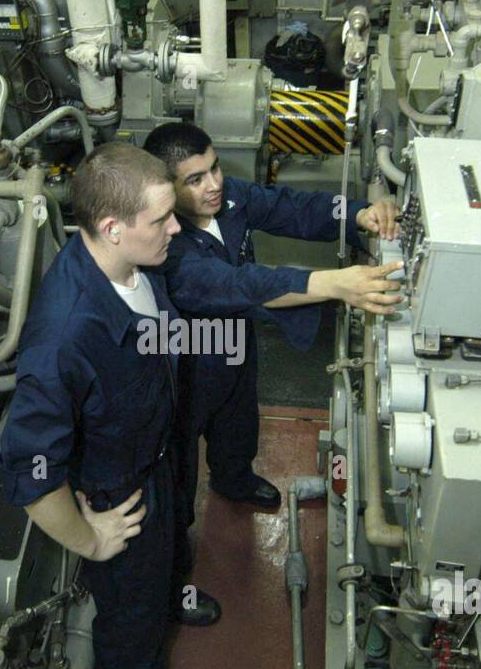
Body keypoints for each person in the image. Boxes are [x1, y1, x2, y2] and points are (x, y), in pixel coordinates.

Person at [0, 143, 215, 669]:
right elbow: (33, 475)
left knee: (174, 549)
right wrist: (90, 538)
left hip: (161, 455)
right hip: (122, 489)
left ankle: (175, 596)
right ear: (113, 228)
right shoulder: (64, 335)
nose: (178, 226)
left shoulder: (136, 266)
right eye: (164, 219)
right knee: (132, 611)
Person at [142, 121, 403, 560]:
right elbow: (242, 284)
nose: (213, 184)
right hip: (185, 357)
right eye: (195, 179)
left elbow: (291, 207)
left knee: (238, 419)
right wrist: (335, 283)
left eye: (215, 169)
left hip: (234, 341)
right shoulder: (167, 245)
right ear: (164, 188)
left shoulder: (228, 198)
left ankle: (234, 478)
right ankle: (175, 544)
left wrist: (357, 212)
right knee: (179, 458)